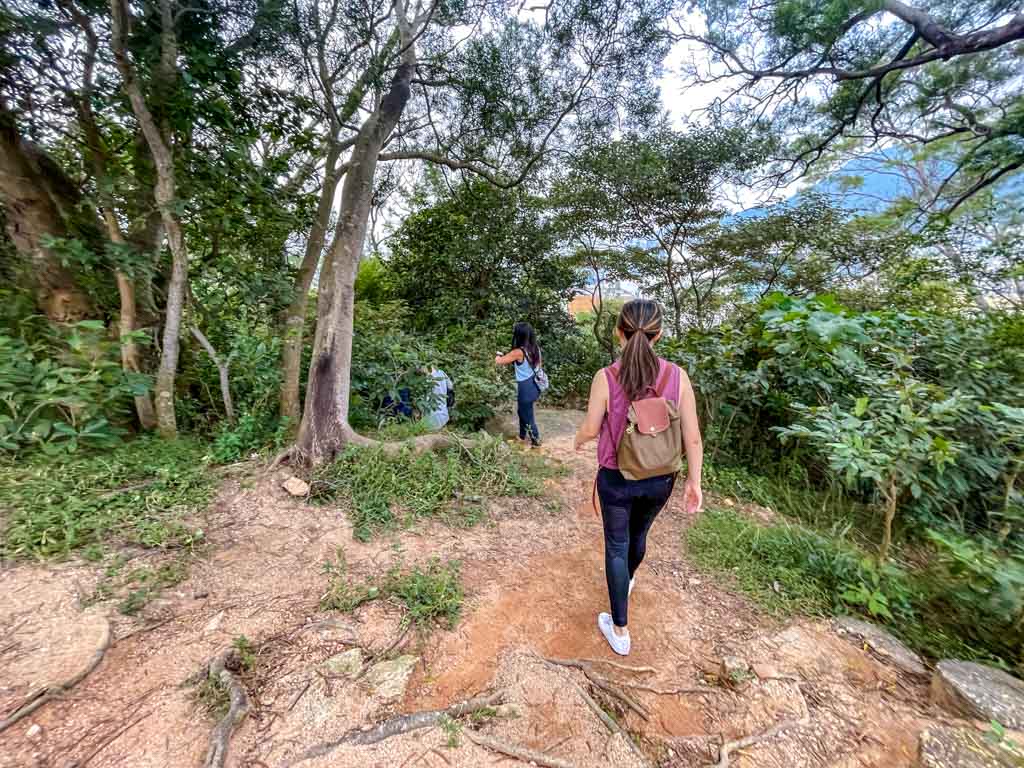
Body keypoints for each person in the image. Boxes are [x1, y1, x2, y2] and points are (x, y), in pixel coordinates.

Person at [573, 299, 703, 656]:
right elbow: (692, 436)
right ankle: (626, 582)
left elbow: (589, 426)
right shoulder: (677, 376)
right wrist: (695, 481)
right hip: (661, 478)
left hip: (616, 478)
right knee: (639, 534)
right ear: (658, 335)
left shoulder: (607, 377)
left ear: (619, 332)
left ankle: (620, 630)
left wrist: (579, 439)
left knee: (616, 545)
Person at [494, 321, 543, 447]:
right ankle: (522, 436)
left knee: (527, 415)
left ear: (519, 335)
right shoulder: (535, 348)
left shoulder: (518, 352)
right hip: (535, 385)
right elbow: (539, 366)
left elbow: (499, 362)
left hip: (525, 387)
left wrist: (498, 355)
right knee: (522, 411)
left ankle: (536, 441)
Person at [423, 366, 454, 431]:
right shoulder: (441, 372)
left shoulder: (426, 376)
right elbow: (451, 386)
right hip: (443, 411)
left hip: (431, 412)